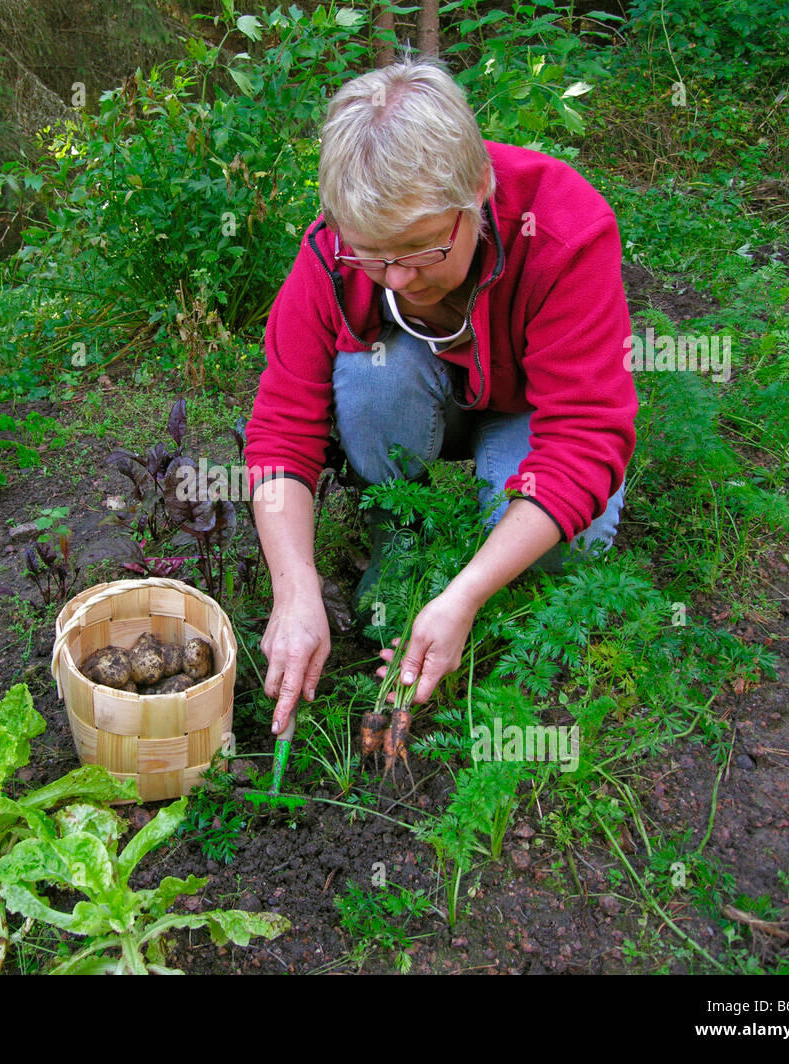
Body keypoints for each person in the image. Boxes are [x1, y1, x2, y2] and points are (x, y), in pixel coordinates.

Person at [242, 60, 638, 738]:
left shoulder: (565, 228)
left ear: (477, 189)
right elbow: (282, 429)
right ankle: (400, 526)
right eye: (373, 255)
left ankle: (477, 549)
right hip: (418, 389)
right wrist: (295, 586)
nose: (396, 275)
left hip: (528, 408)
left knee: (573, 547)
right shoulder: (334, 253)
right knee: (366, 375)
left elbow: (584, 437)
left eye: (421, 250)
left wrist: (467, 595)